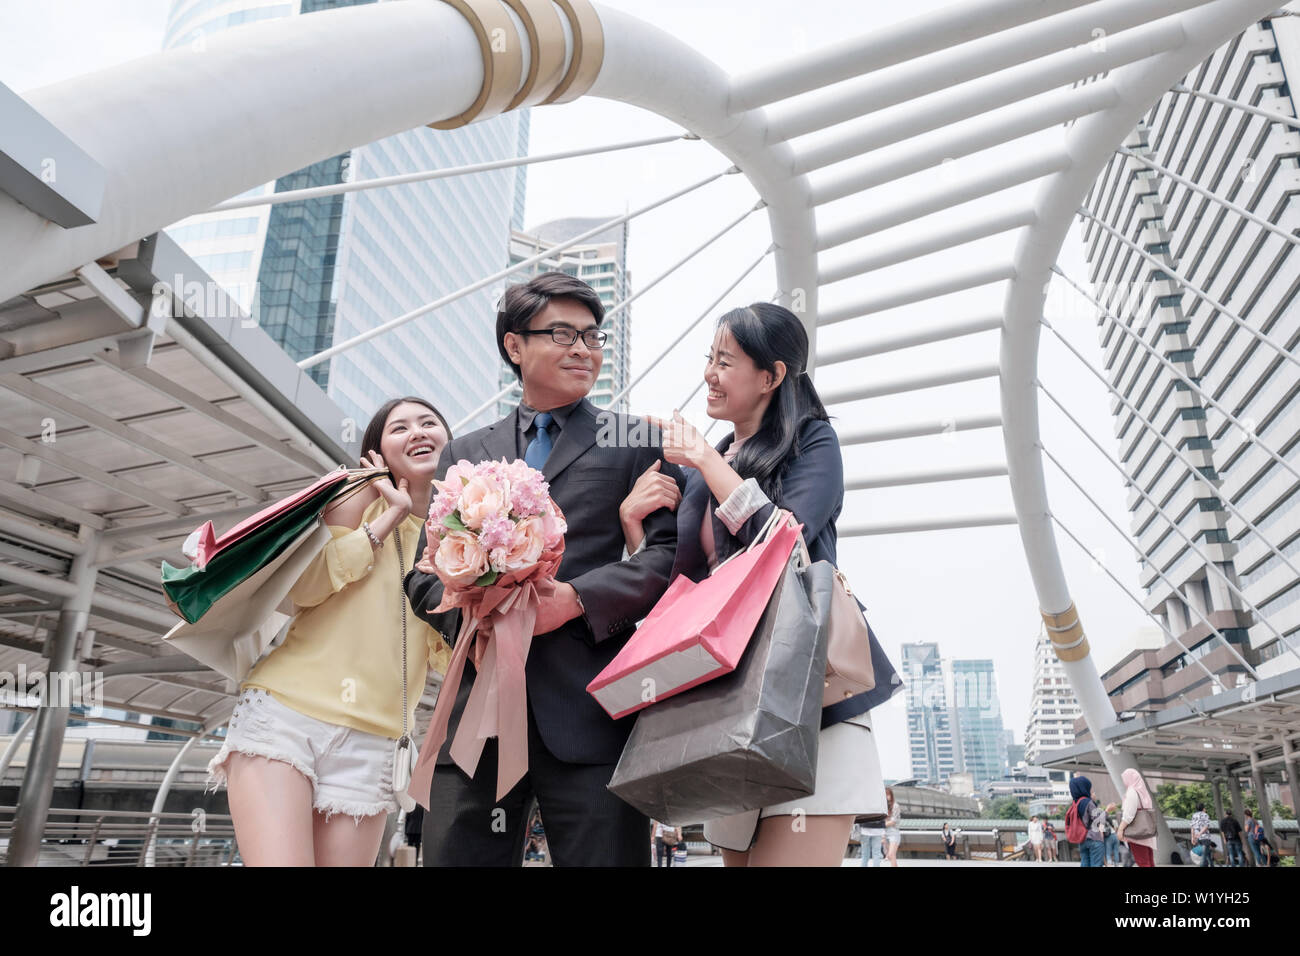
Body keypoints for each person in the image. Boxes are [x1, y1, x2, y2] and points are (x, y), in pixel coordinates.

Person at [405, 272, 684, 867]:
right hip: (476, 721)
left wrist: (577, 598)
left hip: (589, 716)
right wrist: (477, 621)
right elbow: (423, 572)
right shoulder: (464, 453)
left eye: (592, 336)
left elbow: (670, 558)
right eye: (562, 334)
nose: (584, 349)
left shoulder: (633, 440)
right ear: (514, 346)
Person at [624, 302, 902, 867]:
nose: (709, 373)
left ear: (772, 376)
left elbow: (783, 545)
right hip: (729, 710)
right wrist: (635, 528)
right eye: (710, 358)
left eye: (725, 361)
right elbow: (677, 597)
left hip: (813, 705)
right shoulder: (705, 470)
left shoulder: (813, 444)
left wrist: (705, 459)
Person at [207, 397, 454, 865]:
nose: (418, 432)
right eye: (399, 427)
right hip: (287, 717)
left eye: (429, 423)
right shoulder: (356, 494)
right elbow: (307, 587)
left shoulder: (460, 536)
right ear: (377, 450)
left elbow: (445, 651)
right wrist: (389, 517)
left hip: (376, 740)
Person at [1117, 767, 1158, 867]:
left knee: (1143, 862)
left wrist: (1120, 829)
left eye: (1124, 779)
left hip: (1137, 833)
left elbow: (1129, 815)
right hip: (1145, 832)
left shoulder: (1132, 792)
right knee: (1149, 861)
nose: (1124, 782)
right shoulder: (1142, 791)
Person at [1069, 775, 1105, 867]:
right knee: (1096, 864)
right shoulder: (1088, 802)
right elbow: (1098, 819)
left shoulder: (1075, 803)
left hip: (1082, 839)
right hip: (1094, 838)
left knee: (1085, 863)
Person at [883, 787, 902, 867]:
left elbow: (893, 821)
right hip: (884, 833)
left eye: (888, 795)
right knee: (890, 856)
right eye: (885, 795)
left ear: (891, 795)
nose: (887, 797)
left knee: (891, 854)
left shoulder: (895, 806)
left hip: (893, 832)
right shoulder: (882, 807)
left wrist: (880, 825)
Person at [1101, 801, 1121, 866]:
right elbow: (1115, 827)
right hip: (1115, 835)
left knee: (1108, 853)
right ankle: (1117, 864)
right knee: (1116, 852)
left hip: (1108, 837)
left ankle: (1109, 864)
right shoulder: (1110, 818)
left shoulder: (1102, 820)